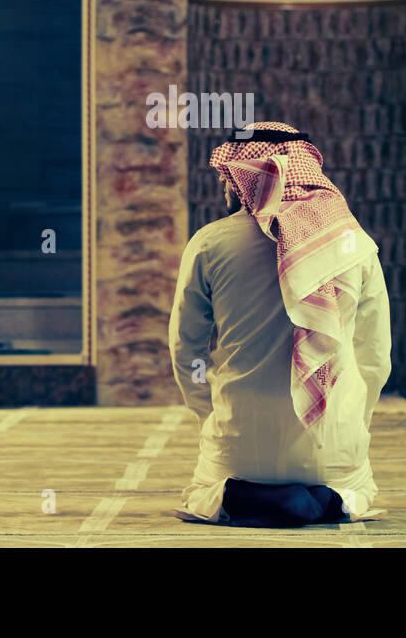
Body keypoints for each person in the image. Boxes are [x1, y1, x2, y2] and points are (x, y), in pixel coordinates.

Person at [168, 120, 392, 527]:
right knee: (353, 491)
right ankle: (327, 499)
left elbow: (186, 353)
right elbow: (376, 356)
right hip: (334, 451)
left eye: (227, 178)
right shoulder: (355, 245)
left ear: (240, 181)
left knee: (207, 492)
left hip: (237, 446)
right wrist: (352, 422)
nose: (225, 187)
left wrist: (212, 418)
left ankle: (245, 494)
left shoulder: (207, 243)